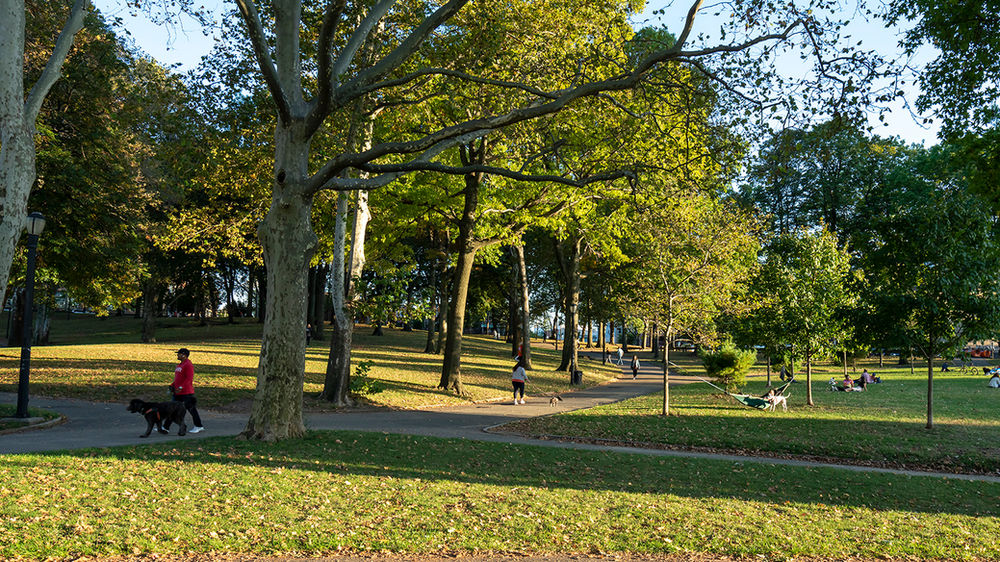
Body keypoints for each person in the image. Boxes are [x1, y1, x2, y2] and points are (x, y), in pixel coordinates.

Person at [171, 348, 205, 433]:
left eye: (179, 354)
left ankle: (198, 426)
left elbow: (189, 378)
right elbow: (178, 378)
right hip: (177, 392)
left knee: (191, 409)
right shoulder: (179, 365)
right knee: (172, 409)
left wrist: (181, 387)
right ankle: (165, 427)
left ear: (184, 355)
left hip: (186, 392)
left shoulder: (188, 364)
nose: (177, 355)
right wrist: (172, 385)